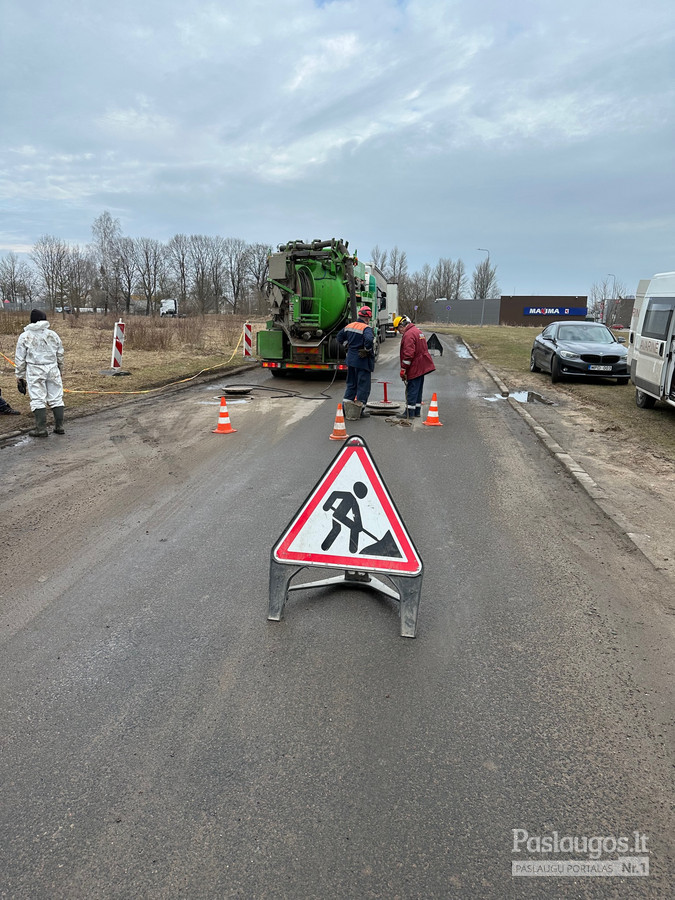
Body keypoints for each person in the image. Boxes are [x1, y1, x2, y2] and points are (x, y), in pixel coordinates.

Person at [15, 309, 65, 437]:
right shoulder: (53, 335)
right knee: (56, 397)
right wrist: (60, 370)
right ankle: (59, 426)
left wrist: (20, 376)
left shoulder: (25, 336)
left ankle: (41, 429)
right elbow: (60, 354)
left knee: (38, 398)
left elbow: (20, 358)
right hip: (53, 368)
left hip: (35, 370)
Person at [394, 315, 436, 418]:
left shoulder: (409, 335)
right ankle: (416, 411)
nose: (399, 331)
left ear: (402, 325)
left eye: (398, 329)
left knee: (412, 389)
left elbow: (408, 354)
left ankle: (409, 413)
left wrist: (404, 368)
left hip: (415, 366)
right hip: (422, 365)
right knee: (418, 389)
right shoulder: (417, 331)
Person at [336, 305, 375, 418]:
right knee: (363, 386)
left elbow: (339, 337)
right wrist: (367, 349)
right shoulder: (366, 328)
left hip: (351, 360)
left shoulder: (350, 326)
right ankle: (360, 410)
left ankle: (345, 408)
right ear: (367, 318)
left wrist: (346, 345)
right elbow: (369, 339)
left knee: (351, 385)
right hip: (362, 362)